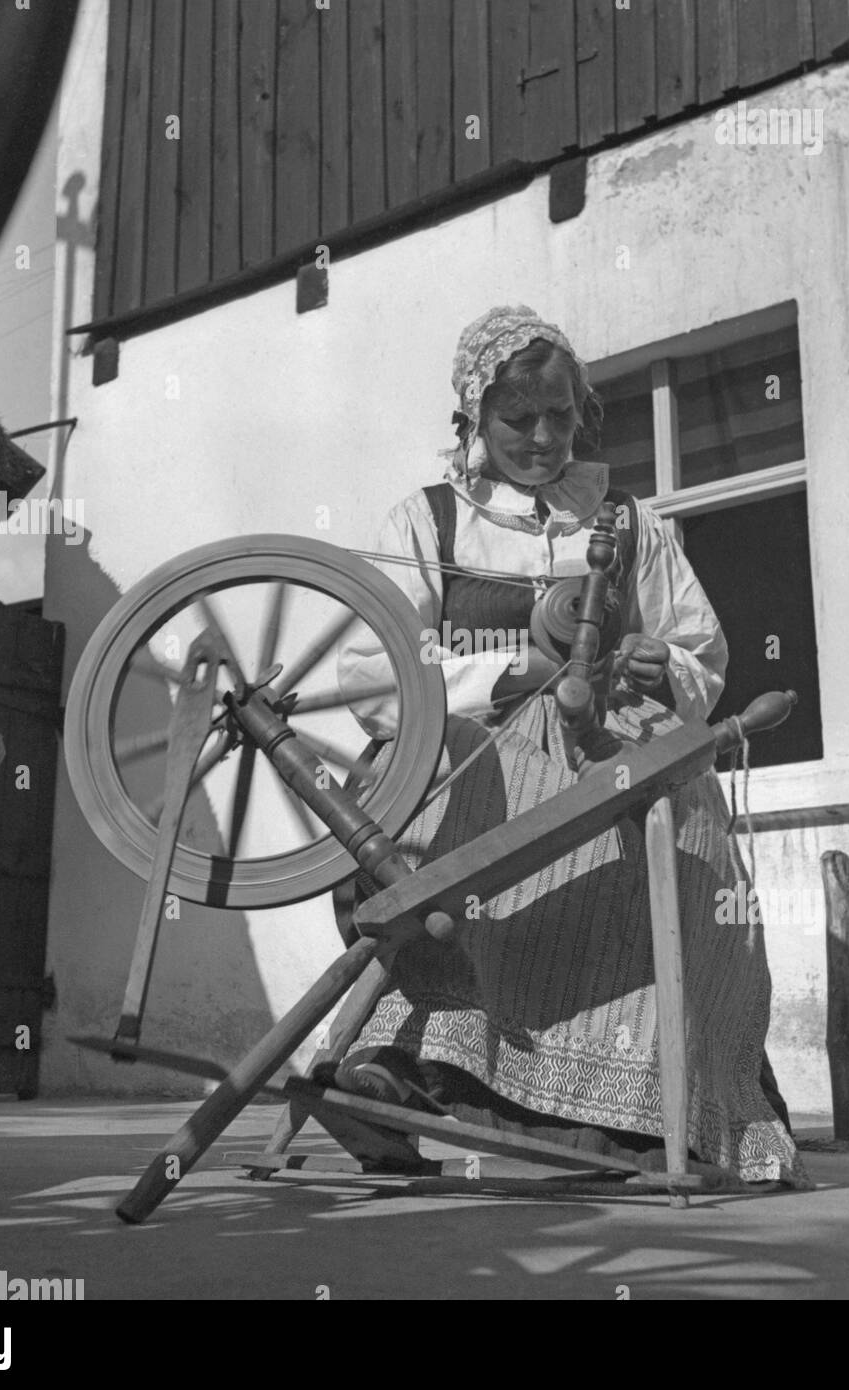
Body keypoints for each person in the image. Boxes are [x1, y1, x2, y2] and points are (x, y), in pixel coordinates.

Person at [333, 305, 806, 1185]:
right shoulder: (426, 524)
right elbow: (371, 675)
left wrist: (663, 668)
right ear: (473, 417)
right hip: (472, 756)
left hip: (614, 747)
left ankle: (637, 1115)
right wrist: (507, 678)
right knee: (459, 836)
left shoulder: (628, 521)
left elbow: (703, 653)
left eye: (560, 415)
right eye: (518, 419)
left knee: (688, 828)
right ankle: (413, 1073)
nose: (543, 437)